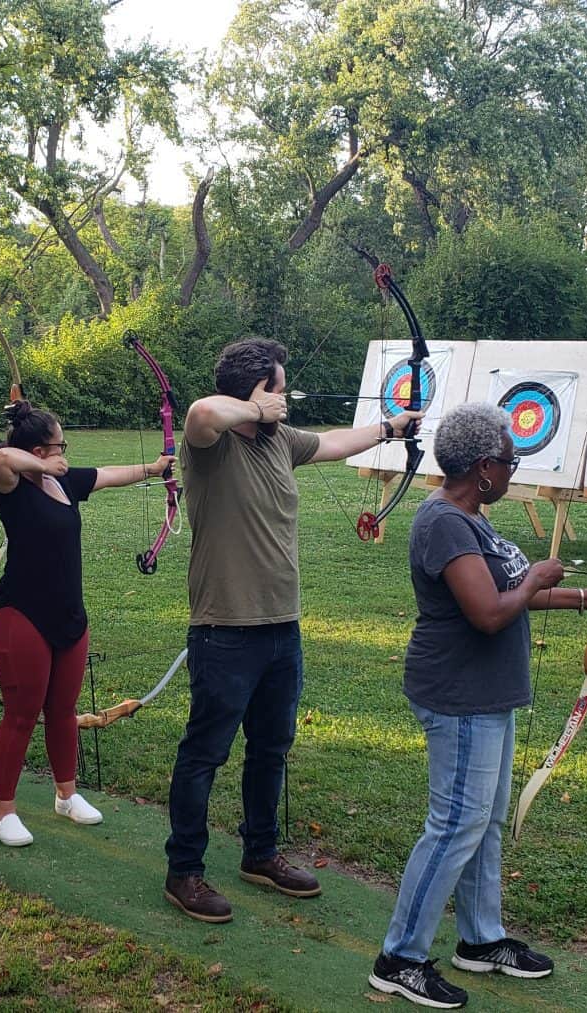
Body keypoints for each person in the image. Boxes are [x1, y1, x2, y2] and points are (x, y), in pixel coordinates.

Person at [367, 403, 587, 1008]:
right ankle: (399, 957)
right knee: (455, 824)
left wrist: (586, 595)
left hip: (486, 695)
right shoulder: (444, 523)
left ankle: (480, 940)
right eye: (511, 461)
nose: (514, 470)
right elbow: (490, 613)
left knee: (482, 822)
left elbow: (502, 592)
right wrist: (538, 577)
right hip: (459, 695)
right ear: (484, 468)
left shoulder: (472, 516)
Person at [162, 337, 425, 924]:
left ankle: (260, 854)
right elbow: (202, 413)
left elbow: (333, 443)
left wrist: (390, 426)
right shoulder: (212, 444)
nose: (287, 400)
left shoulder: (281, 441)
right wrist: (254, 409)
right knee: (206, 752)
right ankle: (185, 871)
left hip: (282, 627)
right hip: (224, 629)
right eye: (278, 389)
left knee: (271, 749)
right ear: (254, 391)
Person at [0, 400, 174, 846]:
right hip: (19, 614)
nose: (65, 453)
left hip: (68, 613)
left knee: (63, 711)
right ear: (36, 449)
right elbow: (1, 457)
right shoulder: (10, 485)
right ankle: (3, 812)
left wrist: (153, 468)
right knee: (21, 714)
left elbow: (110, 474)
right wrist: (43, 464)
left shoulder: (63, 483)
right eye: (58, 445)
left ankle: (66, 795)